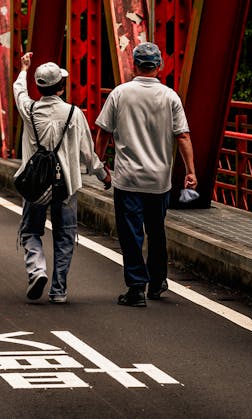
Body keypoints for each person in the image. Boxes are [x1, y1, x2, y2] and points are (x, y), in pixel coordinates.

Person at [94, 41, 197, 307]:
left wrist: (100, 162)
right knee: (156, 231)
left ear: (134, 65)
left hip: (127, 179)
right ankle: (158, 281)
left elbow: (104, 131)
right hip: (160, 180)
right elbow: (183, 135)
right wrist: (190, 171)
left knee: (130, 234)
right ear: (159, 65)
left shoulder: (120, 93)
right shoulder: (170, 96)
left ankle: (136, 288)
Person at [14, 51, 111, 304]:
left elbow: (18, 91)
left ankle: (37, 270)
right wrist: (103, 176)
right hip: (65, 185)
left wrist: (24, 68)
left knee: (30, 231)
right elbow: (87, 153)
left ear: (39, 86)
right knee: (65, 235)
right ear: (61, 86)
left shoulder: (29, 109)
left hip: (36, 186)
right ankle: (59, 290)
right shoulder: (73, 113)